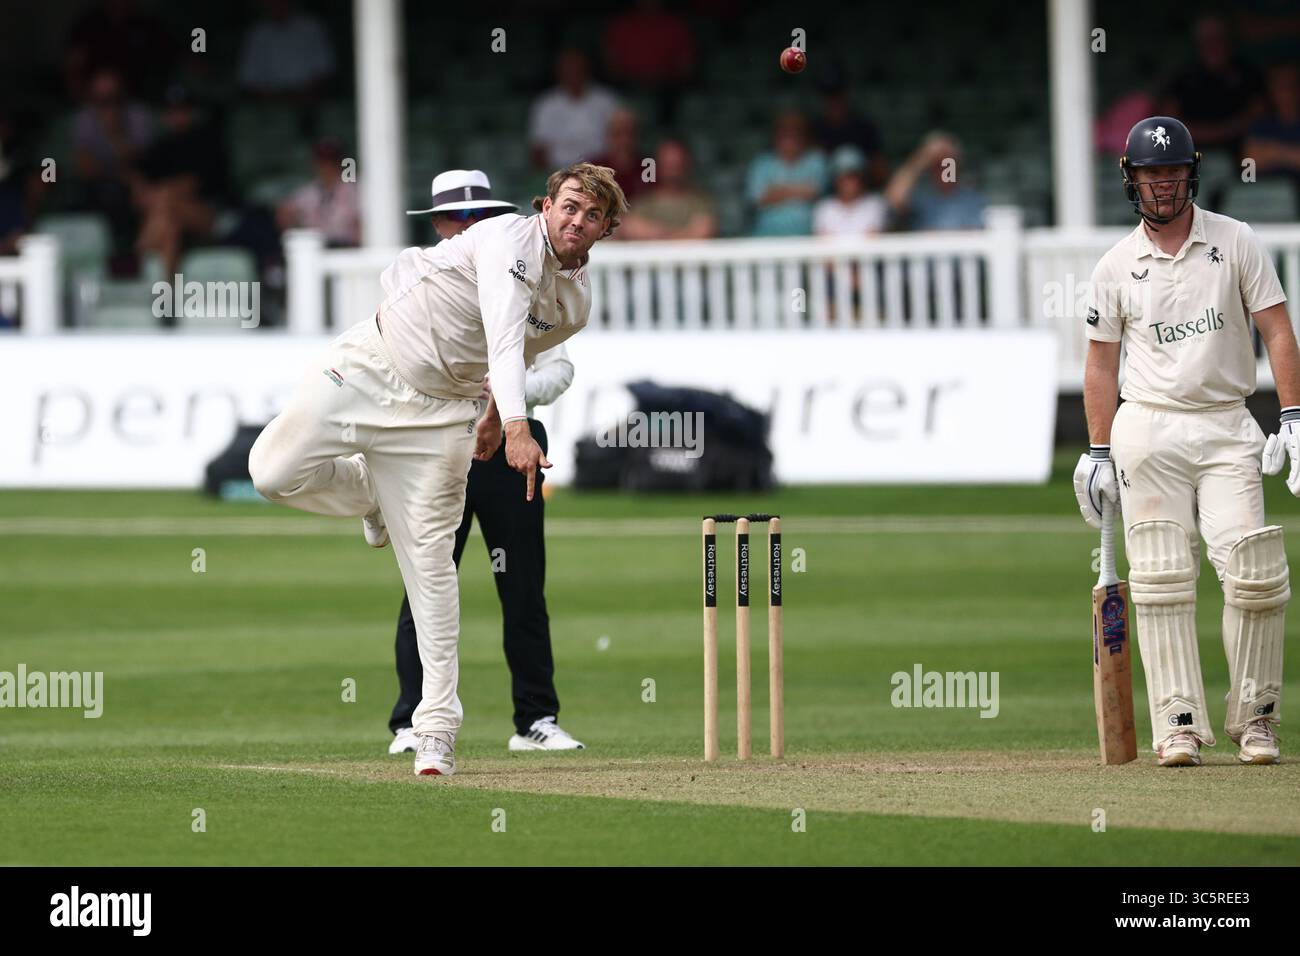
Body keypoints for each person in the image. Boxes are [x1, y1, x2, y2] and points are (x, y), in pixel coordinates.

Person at [248, 163, 627, 777]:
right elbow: (503, 338)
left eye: (591, 215)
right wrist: (515, 426)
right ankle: (373, 493)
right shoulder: (506, 238)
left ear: (605, 229)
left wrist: (489, 414)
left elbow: (510, 356)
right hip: (370, 366)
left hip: (441, 416)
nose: (576, 220)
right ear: (546, 205)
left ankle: (435, 731)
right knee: (270, 472)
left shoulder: (574, 304)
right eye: (569, 206)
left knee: (432, 576)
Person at [1074, 115, 1299, 768]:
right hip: (1147, 426)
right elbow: (1099, 365)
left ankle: (1256, 719)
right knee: (1162, 577)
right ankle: (1177, 724)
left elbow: (1278, 333)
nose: (1163, 185)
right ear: (1132, 181)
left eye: (1172, 172)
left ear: (1191, 172)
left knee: (1255, 574)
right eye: (1151, 174)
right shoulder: (1116, 265)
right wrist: (1096, 453)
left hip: (1228, 423)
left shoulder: (1237, 241)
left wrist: (1294, 415)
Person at [385, 169, 582, 755]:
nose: (467, 230)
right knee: (425, 580)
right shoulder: (416, 275)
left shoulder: (528, 273)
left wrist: (505, 399)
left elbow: (560, 368)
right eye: (456, 220)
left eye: (477, 219)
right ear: (441, 225)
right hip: (436, 445)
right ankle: (411, 721)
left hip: (509, 453)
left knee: (521, 583)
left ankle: (535, 720)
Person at [528, 50, 620, 170]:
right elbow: (538, 150)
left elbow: (621, 141)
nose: (573, 73)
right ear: (559, 73)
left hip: (601, 172)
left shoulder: (607, 100)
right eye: (568, 69)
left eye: (578, 69)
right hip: (560, 172)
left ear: (587, 70)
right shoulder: (545, 104)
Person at [745, 111, 827, 237]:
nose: (790, 136)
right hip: (767, 235)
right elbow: (758, 198)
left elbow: (815, 191)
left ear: (804, 134)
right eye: (785, 130)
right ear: (777, 134)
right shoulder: (762, 163)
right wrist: (800, 189)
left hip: (807, 235)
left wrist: (777, 191)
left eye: (795, 131)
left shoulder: (815, 160)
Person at [885, 131, 986, 231]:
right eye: (938, 163)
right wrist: (922, 159)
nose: (944, 168)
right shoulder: (920, 197)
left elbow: (975, 232)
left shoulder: (971, 198)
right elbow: (894, 200)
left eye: (949, 162)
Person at [616, 139, 716, 240]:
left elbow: (703, 232)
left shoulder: (700, 202)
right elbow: (630, 228)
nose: (672, 169)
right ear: (657, 165)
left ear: (686, 165)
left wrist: (657, 234)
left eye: (676, 163)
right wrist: (683, 234)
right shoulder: (644, 202)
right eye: (668, 163)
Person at [276, 138, 361, 247]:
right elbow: (284, 214)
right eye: (321, 161)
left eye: (330, 161)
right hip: (315, 248)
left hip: (348, 248)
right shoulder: (309, 192)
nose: (325, 167)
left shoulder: (354, 189)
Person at [1244, 63, 1300, 216]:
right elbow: (1248, 167)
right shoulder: (1261, 125)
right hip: (1264, 197)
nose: (1286, 92)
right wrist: (1293, 154)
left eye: (1291, 85)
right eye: (1280, 86)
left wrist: (1272, 151)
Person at [813, 145, 887, 237]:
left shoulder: (875, 204)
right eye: (844, 177)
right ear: (835, 179)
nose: (849, 182)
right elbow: (824, 243)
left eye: (854, 176)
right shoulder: (824, 208)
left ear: (862, 178)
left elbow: (872, 239)